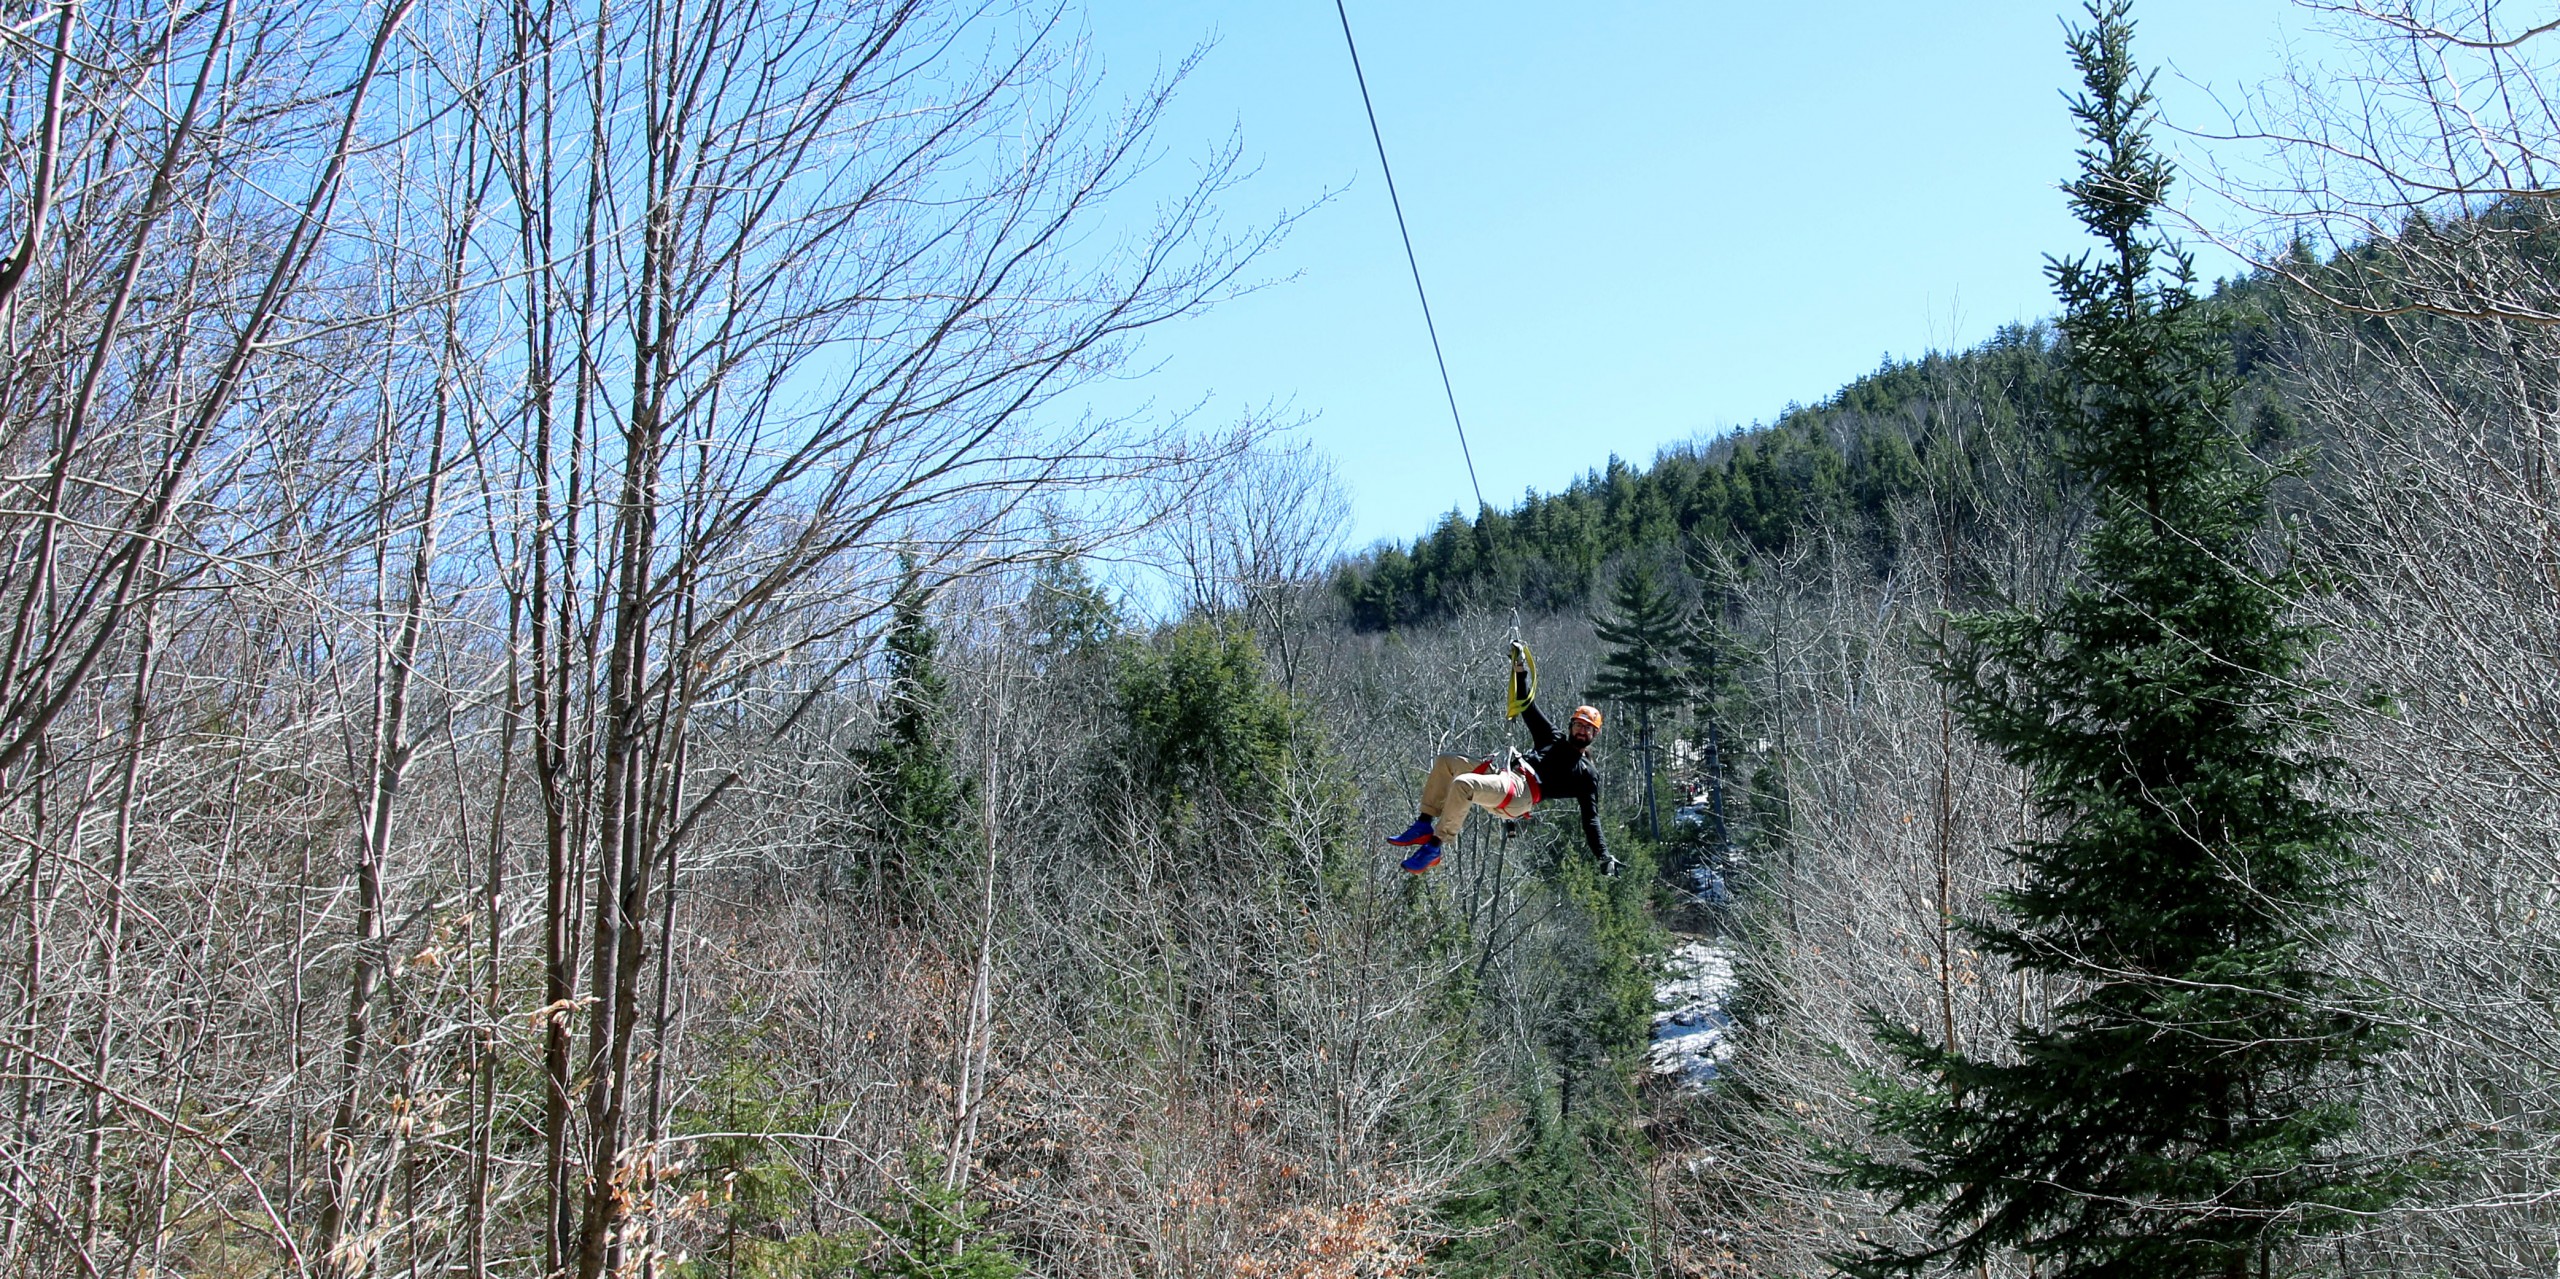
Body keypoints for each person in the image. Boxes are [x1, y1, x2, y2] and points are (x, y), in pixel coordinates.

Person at [1387, 643, 1612, 874]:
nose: (1582, 731)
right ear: (1571, 726)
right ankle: (1424, 823)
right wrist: (1519, 667)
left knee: (1463, 784)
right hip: (1507, 776)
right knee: (1447, 762)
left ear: (1595, 734)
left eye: (1588, 728)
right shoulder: (1552, 739)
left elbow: (1591, 820)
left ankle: (1435, 845)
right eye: (1578, 725)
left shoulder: (1586, 774)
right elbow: (1526, 703)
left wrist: (1603, 855)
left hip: (1522, 793)